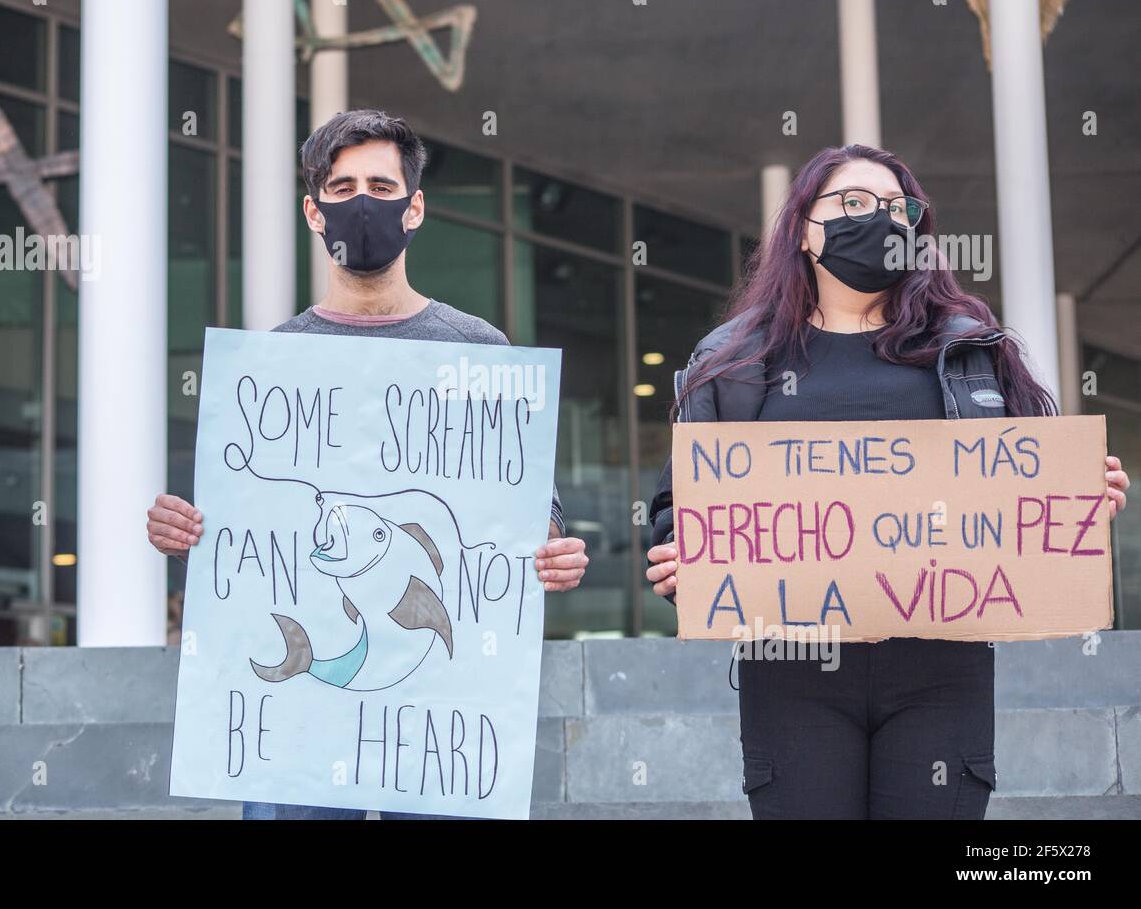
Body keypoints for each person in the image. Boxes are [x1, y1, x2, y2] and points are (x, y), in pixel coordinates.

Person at [645, 143, 1130, 819]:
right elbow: (683, 508)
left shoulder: (973, 350)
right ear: (803, 229)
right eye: (852, 204)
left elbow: (1031, 482)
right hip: (792, 673)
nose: (877, 218)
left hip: (941, 669)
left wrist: (1078, 501)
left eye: (897, 208)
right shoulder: (734, 361)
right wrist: (678, 561)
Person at [147, 109, 588, 820]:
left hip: (440, 718)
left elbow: (529, 511)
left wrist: (553, 549)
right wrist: (185, 535)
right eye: (342, 185)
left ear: (415, 208)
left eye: (381, 186)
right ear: (313, 212)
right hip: (298, 729)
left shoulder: (479, 349)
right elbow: (246, 543)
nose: (361, 203)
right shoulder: (268, 366)